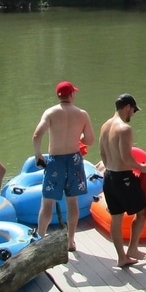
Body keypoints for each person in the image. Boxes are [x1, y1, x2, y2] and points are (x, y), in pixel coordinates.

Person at [32, 81, 94, 252]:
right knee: (72, 202)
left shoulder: (50, 113)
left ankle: (40, 240)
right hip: (74, 160)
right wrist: (79, 136)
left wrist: (38, 154)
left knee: (47, 202)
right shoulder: (82, 114)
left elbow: (37, 135)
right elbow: (90, 140)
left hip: (55, 161)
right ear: (71, 95)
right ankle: (70, 241)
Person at [99, 93, 146, 268]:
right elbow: (126, 158)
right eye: (133, 110)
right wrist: (141, 167)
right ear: (128, 107)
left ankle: (122, 257)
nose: (133, 115)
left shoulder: (105, 126)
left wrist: (111, 169)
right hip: (123, 178)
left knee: (116, 218)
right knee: (142, 213)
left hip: (109, 177)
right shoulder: (124, 129)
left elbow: (102, 153)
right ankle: (133, 249)